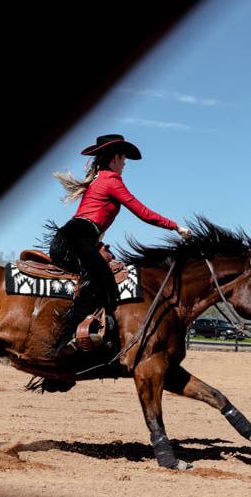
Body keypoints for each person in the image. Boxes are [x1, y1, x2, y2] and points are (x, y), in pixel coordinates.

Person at [49, 134, 191, 356]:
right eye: (124, 159)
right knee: (103, 280)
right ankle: (67, 342)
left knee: (98, 281)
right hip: (77, 238)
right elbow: (142, 212)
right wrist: (175, 227)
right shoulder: (111, 180)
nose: (125, 164)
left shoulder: (99, 179)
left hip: (73, 238)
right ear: (115, 158)